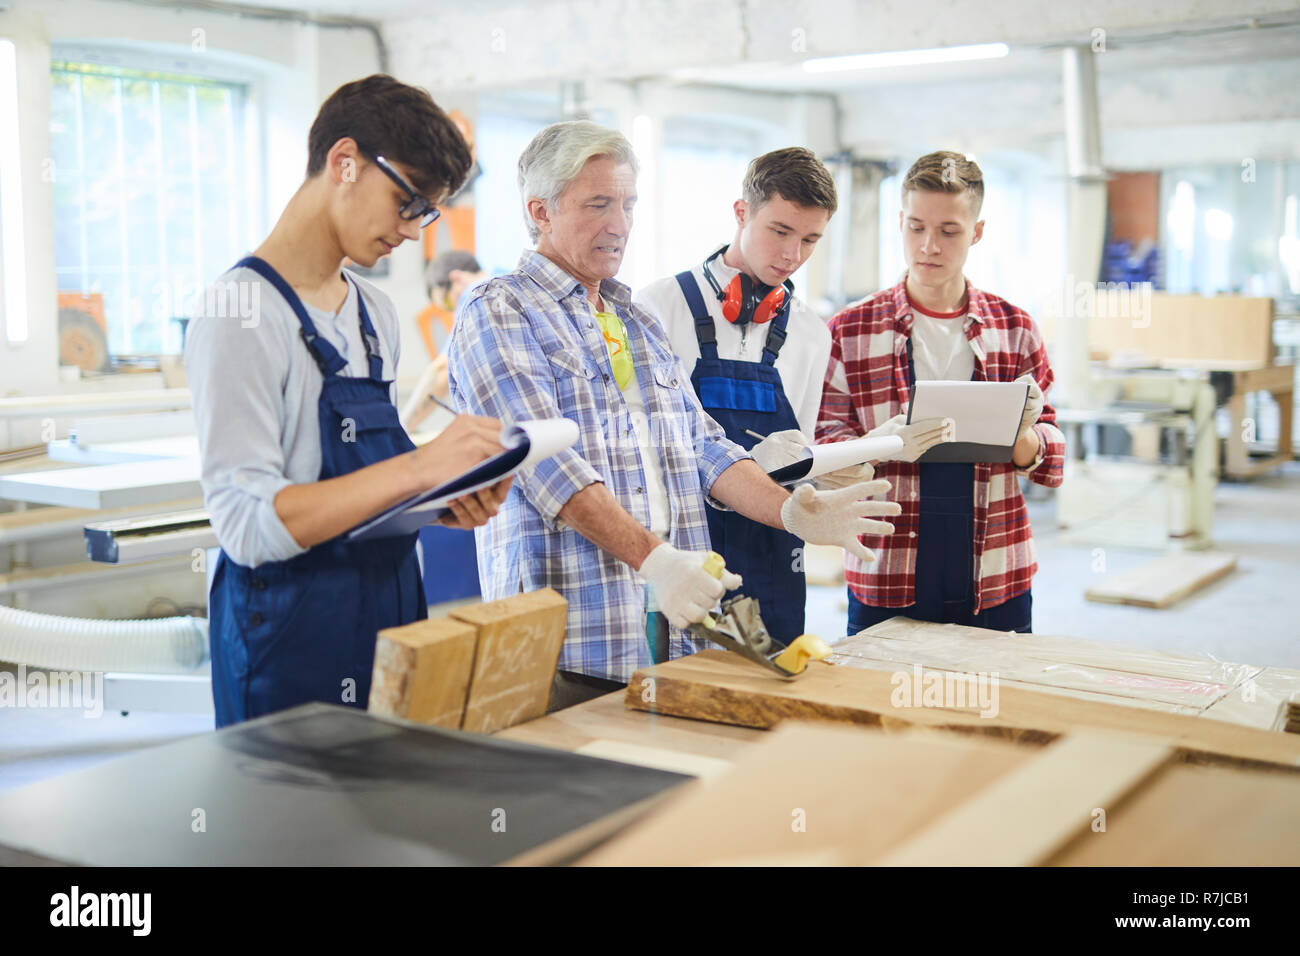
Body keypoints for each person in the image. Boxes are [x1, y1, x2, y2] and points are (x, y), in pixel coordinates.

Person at [446, 121, 901, 709]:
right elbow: (546, 467)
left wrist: (789, 511)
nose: (620, 224)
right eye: (598, 204)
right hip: (569, 643)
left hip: (673, 633)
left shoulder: (634, 319)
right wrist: (657, 560)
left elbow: (703, 445)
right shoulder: (500, 310)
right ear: (541, 211)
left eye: (628, 204)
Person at [186, 75, 510, 727]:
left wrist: (437, 504)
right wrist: (420, 467)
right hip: (287, 632)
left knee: (387, 812)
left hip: (389, 612)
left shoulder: (374, 313)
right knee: (297, 828)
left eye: (428, 213)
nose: (414, 232)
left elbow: (356, 486)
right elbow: (247, 526)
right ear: (344, 162)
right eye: (408, 202)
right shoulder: (240, 312)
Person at [817, 151, 1065, 636]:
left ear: (977, 231)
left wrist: (1025, 438)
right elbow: (822, 447)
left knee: (995, 704)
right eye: (915, 227)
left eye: (949, 231)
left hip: (995, 567)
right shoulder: (849, 329)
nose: (928, 245)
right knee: (880, 704)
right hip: (888, 564)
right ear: (900, 222)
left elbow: (1054, 447)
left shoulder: (1015, 328)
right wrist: (878, 444)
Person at [636, 147, 877, 646]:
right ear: (741, 212)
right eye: (780, 231)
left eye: (811, 239)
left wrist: (832, 465)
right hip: (685, 550)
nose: (793, 255)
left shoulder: (812, 332)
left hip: (772, 546)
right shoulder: (658, 307)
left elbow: (801, 448)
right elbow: (637, 448)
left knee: (773, 691)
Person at [401, 251, 489, 432]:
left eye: (449, 304)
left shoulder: (473, 294)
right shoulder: (509, 281)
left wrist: (402, 428)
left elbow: (442, 370)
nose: (454, 312)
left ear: (456, 278)